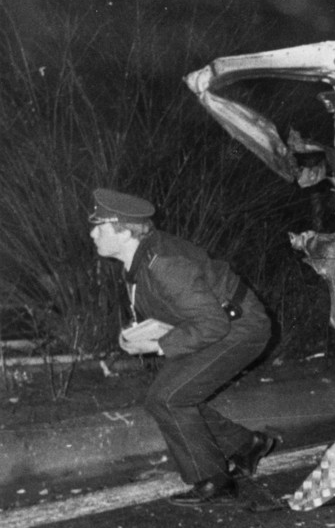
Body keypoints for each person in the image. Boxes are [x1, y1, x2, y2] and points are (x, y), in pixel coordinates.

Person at [89, 188, 278, 506]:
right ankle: (246, 446)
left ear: (124, 231)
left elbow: (213, 324)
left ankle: (214, 480)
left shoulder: (164, 264)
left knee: (170, 397)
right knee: (170, 394)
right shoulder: (139, 259)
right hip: (217, 325)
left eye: (100, 227)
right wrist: (142, 335)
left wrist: (159, 344)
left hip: (241, 329)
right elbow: (174, 307)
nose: (93, 234)